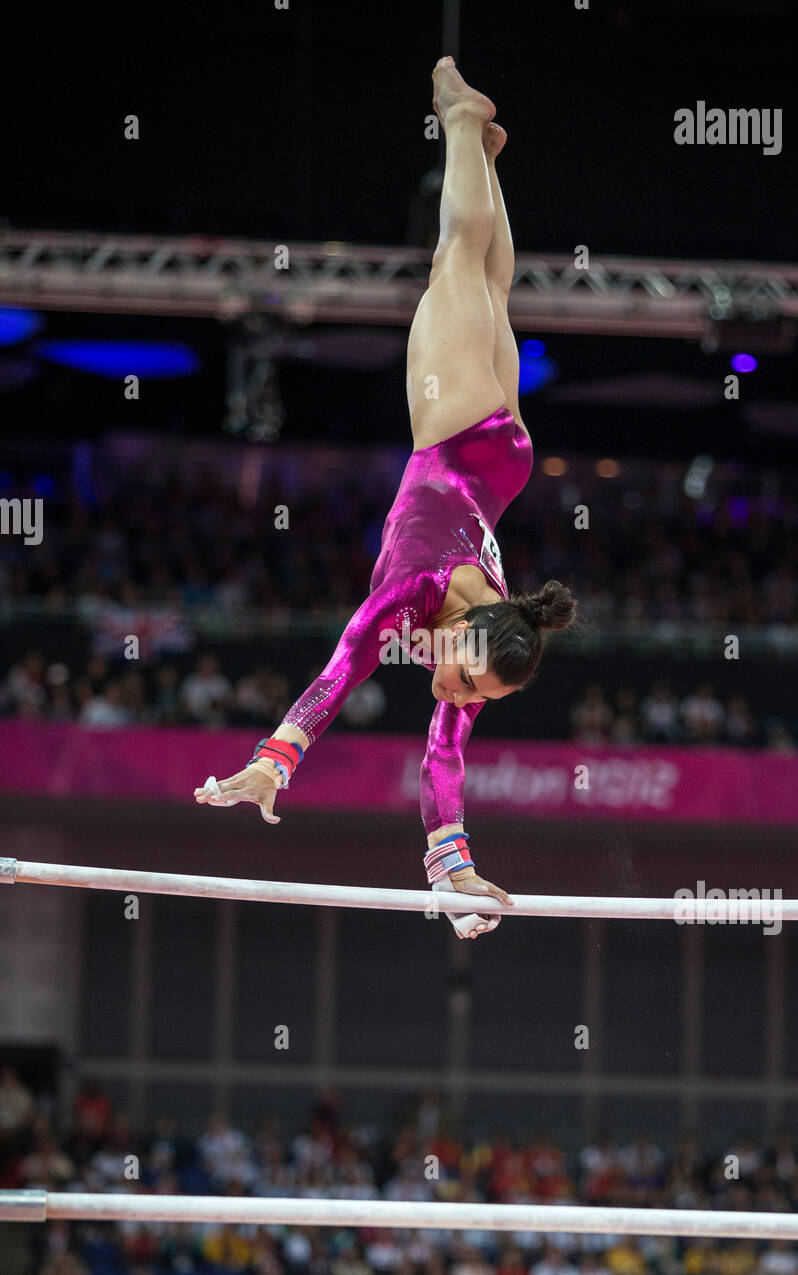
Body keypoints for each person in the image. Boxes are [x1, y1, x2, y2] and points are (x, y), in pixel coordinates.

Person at [196, 58, 579, 938]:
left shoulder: (478, 639)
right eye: (464, 676)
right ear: (464, 632)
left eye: (474, 694)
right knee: (456, 259)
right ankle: (457, 117)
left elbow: (443, 763)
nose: (454, 692)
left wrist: (458, 874)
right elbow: (337, 674)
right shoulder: (414, 605)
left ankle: (482, 153)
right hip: (456, 432)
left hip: (501, 463)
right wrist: (272, 763)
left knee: (488, 284)